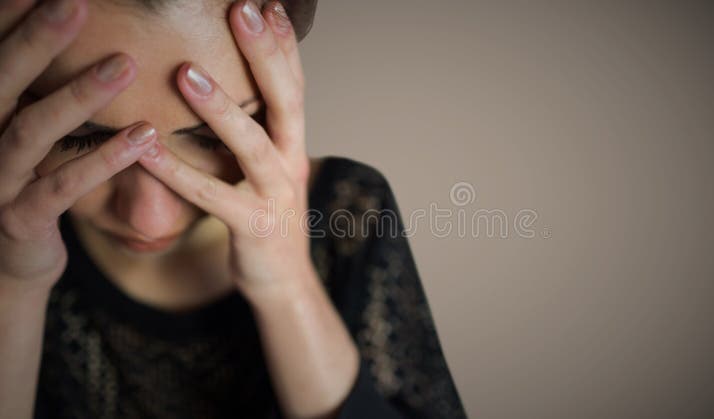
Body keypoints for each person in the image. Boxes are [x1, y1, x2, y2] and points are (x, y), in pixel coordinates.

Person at [0, 0, 467, 418]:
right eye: (79, 138)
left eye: (211, 138)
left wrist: (288, 286)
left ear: (275, 105)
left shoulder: (351, 212)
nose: (148, 217)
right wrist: (13, 284)